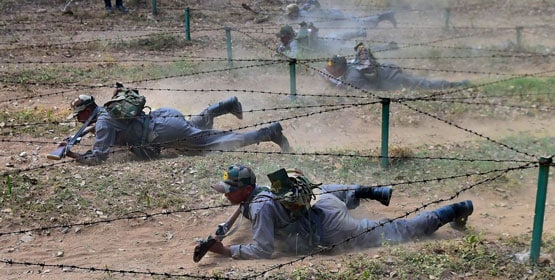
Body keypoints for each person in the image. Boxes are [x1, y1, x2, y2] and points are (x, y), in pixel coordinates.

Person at [200, 164, 475, 260]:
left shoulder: (259, 208)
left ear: (245, 190)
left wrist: (227, 252)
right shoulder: (262, 191)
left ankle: (454, 209)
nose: (225, 193)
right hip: (325, 200)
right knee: (324, 189)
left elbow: (262, 250)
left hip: (332, 228)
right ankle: (360, 191)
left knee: (398, 231)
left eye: (229, 189)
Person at [64, 94, 291, 165]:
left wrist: (75, 156)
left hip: (164, 131)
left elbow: (99, 157)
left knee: (218, 142)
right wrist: (86, 133)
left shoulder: (103, 123)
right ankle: (224, 105)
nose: (78, 120)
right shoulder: (106, 111)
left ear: (86, 112)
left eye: (79, 116)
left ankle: (269, 133)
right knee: (194, 126)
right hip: (164, 116)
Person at [324, 45, 470, 91]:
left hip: (391, 78)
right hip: (389, 69)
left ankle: (455, 85)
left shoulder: (352, 77)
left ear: (338, 69)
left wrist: (345, 89)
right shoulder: (348, 66)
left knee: (423, 84)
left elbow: (370, 91)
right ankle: (450, 83)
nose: (328, 69)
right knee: (418, 80)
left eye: (331, 68)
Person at [284, 0, 396, 29]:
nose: (289, 16)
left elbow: (312, 25)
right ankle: (386, 15)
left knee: (361, 23)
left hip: (336, 18)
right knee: (359, 21)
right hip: (334, 14)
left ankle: (386, 15)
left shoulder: (304, 16)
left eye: (290, 14)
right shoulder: (303, 9)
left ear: (294, 13)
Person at [276, 23, 367, 59]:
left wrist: (283, 53)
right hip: (325, 43)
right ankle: (361, 34)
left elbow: (294, 55)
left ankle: (361, 34)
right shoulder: (294, 37)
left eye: (283, 37)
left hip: (327, 46)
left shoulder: (294, 43)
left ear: (288, 36)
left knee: (345, 43)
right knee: (345, 40)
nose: (281, 38)